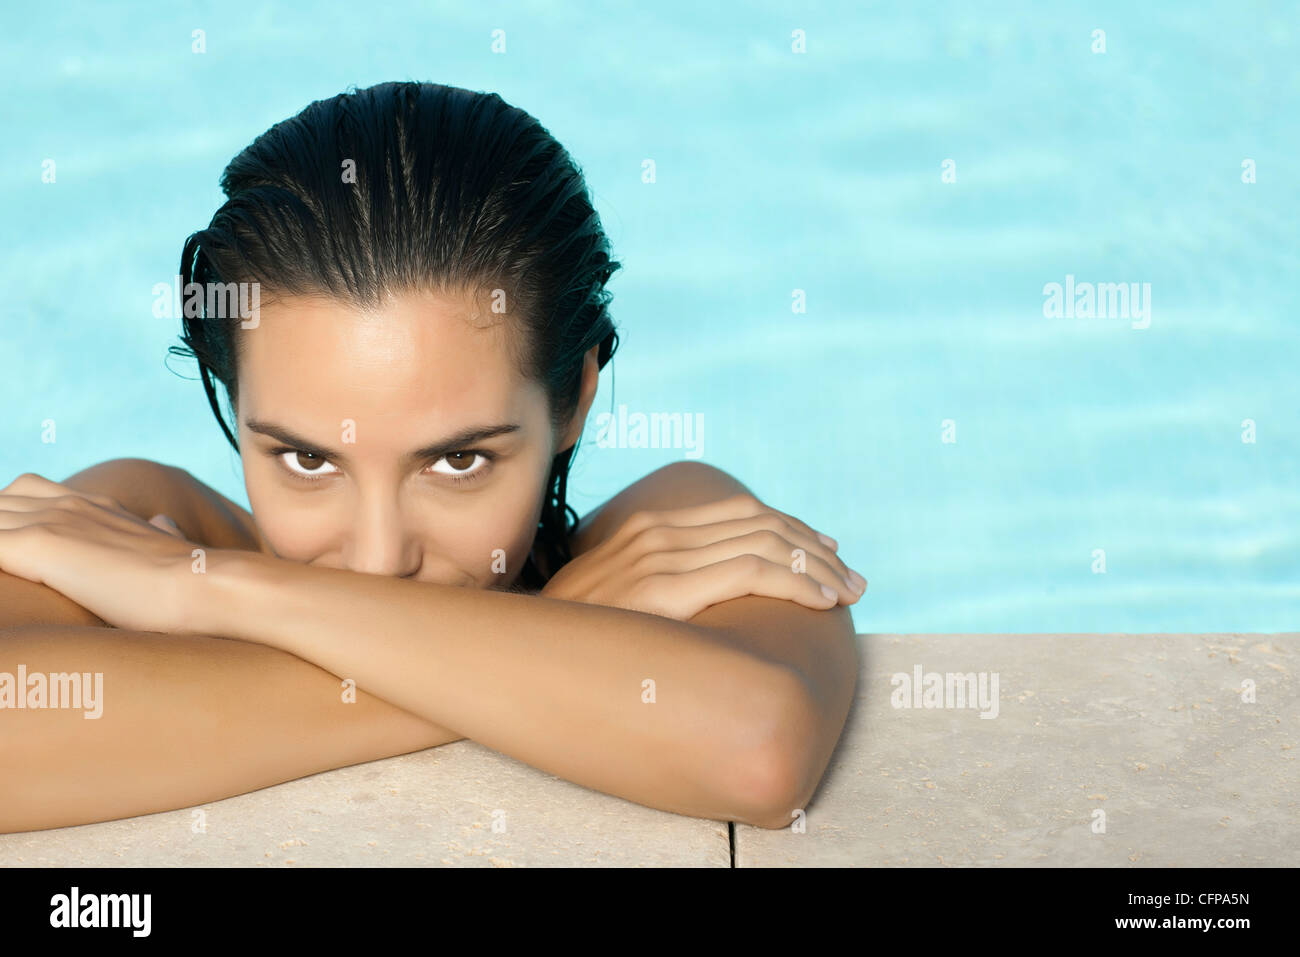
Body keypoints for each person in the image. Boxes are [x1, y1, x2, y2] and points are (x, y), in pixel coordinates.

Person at [0, 81, 865, 835]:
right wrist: (552, 638)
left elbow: (758, 749)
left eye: (457, 463)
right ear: (237, 407)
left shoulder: (672, 524)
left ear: (573, 400)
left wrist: (210, 590)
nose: (379, 558)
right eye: (305, 459)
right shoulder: (151, 513)